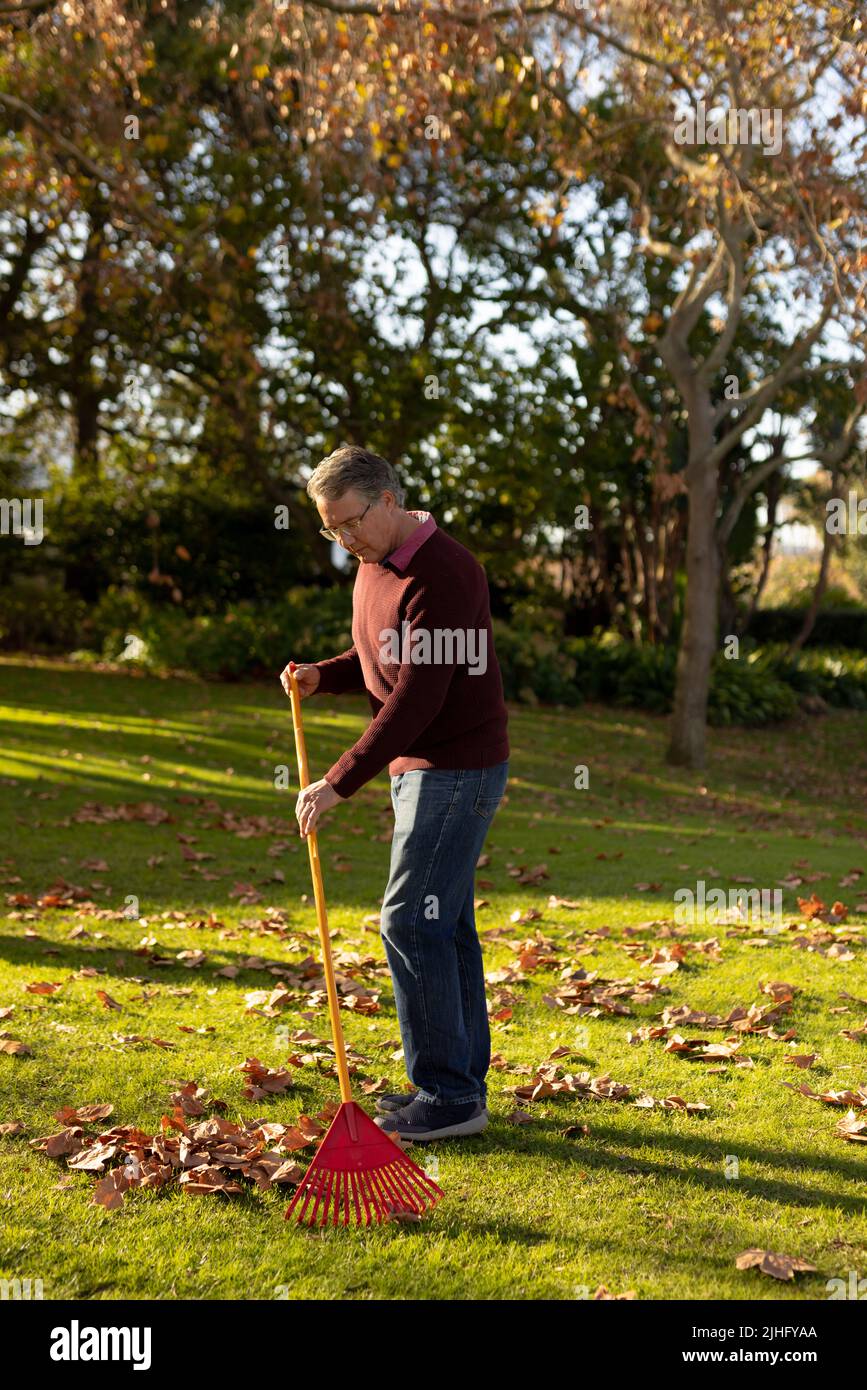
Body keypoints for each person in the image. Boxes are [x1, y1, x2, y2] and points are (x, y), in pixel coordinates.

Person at [279, 445, 510, 1140]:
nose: (343, 540)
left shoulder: (441, 572)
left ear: (386, 500)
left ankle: (446, 1098)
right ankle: (458, 1086)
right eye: (330, 530)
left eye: (348, 523)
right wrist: (325, 674)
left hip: (454, 768)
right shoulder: (377, 564)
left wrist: (339, 779)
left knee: (410, 921)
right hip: (422, 770)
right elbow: (383, 655)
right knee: (445, 925)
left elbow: (417, 696)